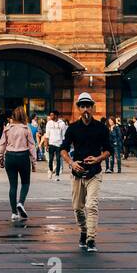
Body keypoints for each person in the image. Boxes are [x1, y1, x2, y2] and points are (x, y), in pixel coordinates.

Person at [61, 93, 110, 253]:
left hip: (94, 173)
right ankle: (83, 231)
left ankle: (90, 239)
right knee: (77, 208)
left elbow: (109, 150)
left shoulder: (101, 128)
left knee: (92, 206)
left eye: (88, 106)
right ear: (78, 109)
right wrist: (71, 163)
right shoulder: (73, 128)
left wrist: (98, 159)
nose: (86, 109)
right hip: (77, 174)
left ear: (92, 107)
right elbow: (63, 150)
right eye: (83, 106)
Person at [0, 107, 36, 220]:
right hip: (23, 157)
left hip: (10, 157)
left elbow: (2, 144)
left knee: (12, 185)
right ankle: (21, 203)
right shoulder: (26, 128)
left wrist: (0, 158)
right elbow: (32, 146)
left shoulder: (7, 128)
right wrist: (34, 161)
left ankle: (14, 213)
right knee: (25, 183)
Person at [44, 110, 67, 181]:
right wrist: (46, 145)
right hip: (51, 143)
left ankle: (57, 175)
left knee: (58, 160)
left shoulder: (62, 124)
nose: (51, 117)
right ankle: (50, 170)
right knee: (50, 159)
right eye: (50, 115)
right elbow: (47, 135)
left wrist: (63, 146)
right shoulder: (49, 123)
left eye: (52, 115)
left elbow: (64, 136)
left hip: (59, 144)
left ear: (56, 116)